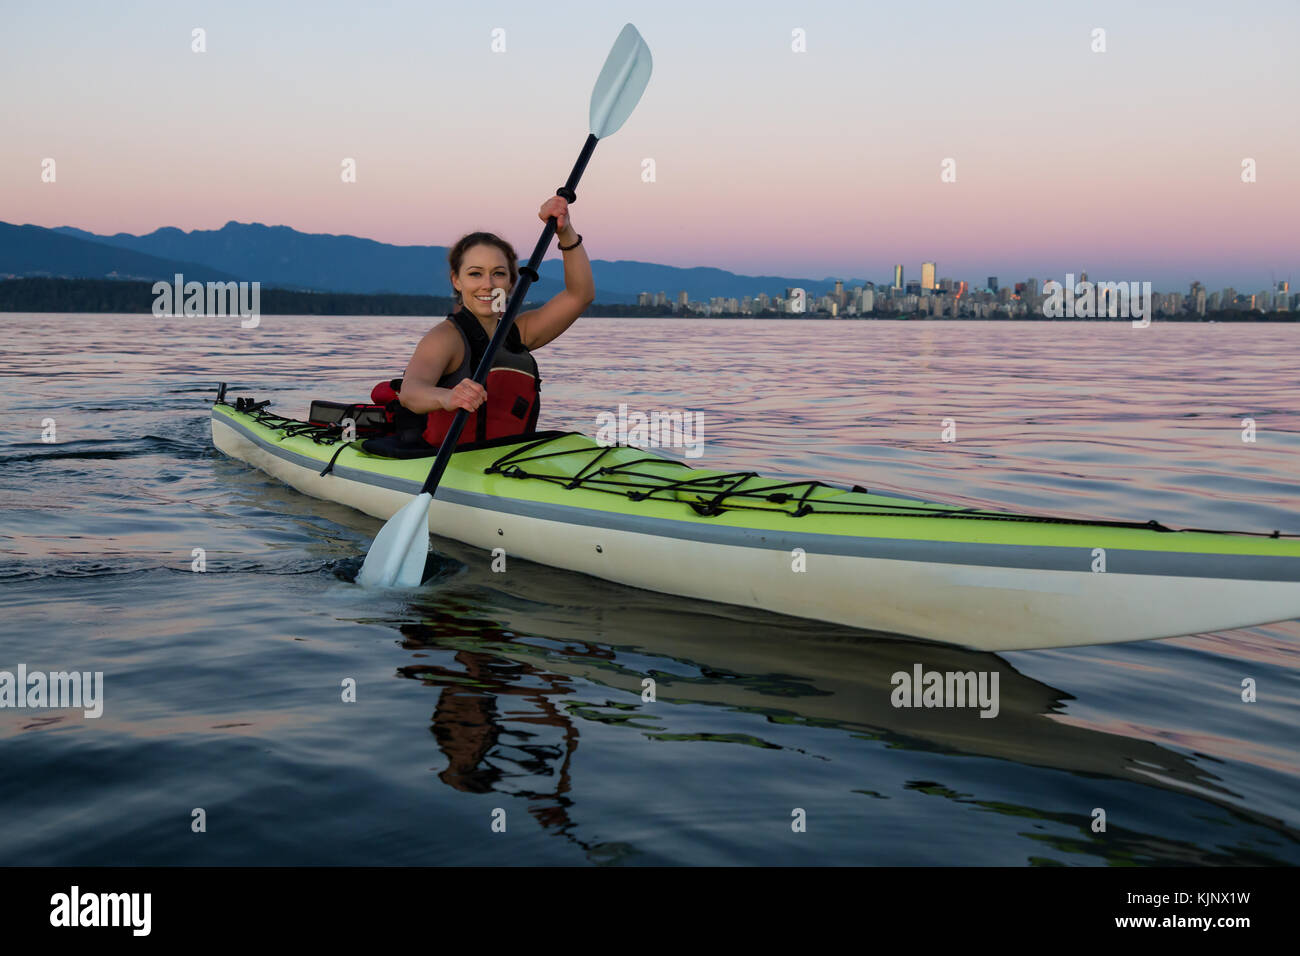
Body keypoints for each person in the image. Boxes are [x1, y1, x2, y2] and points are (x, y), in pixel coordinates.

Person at [369, 196, 593, 453]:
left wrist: (564, 232)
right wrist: (448, 397)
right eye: (475, 274)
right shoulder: (446, 338)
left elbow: (580, 295)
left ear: (510, 282)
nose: (488, 284)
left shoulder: (518, 334)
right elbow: (411, 392)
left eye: (498, 273)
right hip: (444, 461)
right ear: (457, 281)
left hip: (505, 462)